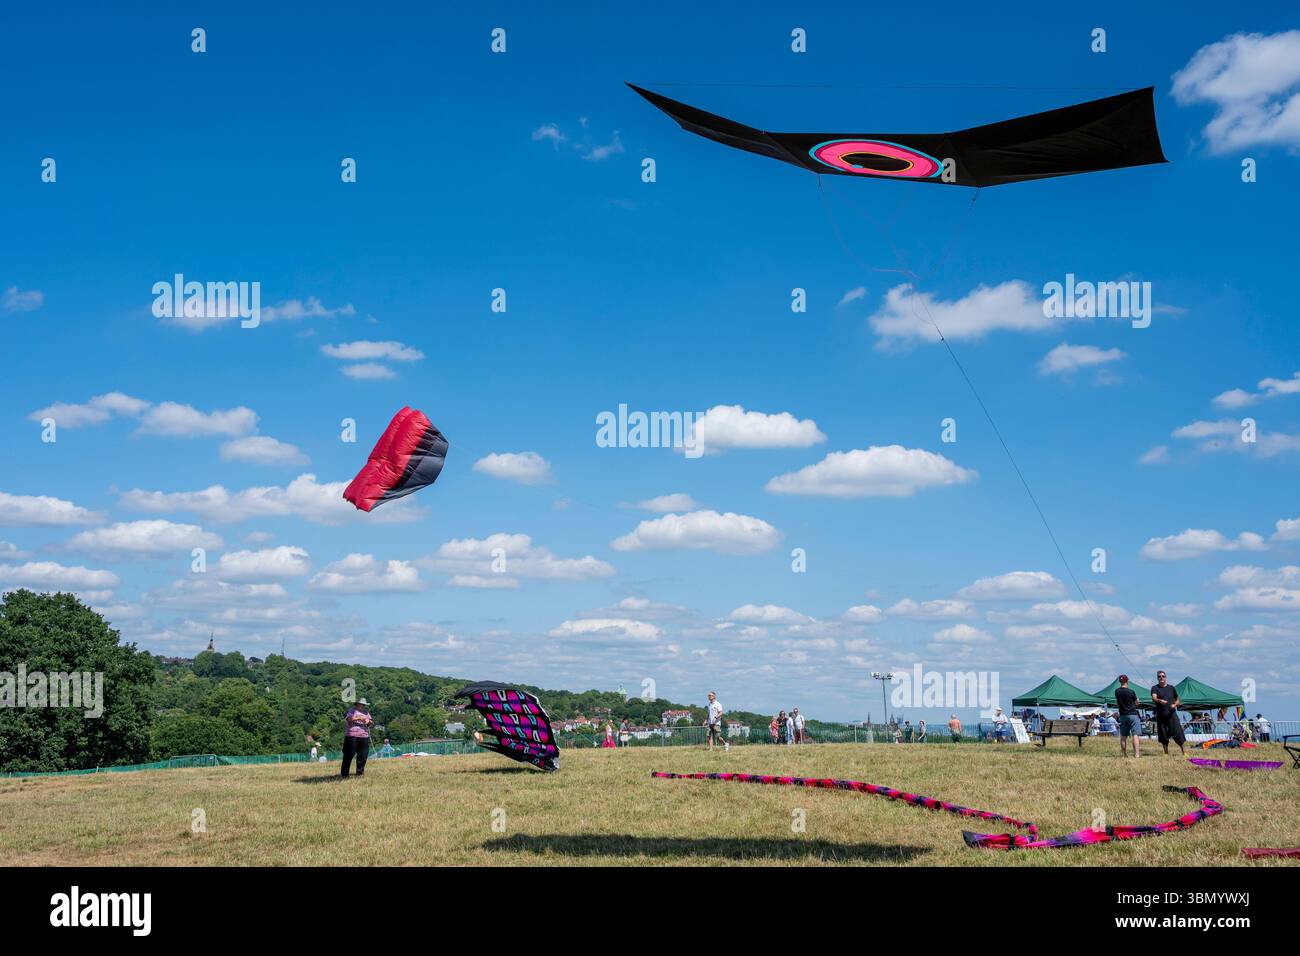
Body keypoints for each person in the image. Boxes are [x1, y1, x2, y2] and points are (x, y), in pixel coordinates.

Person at [1150, 671, 1185, 756]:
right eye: (1159, 676)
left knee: (1178, 733)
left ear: (1165, 677)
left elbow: (1178, 700)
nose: (1161, 677)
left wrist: (1175, 704)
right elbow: (1154, 698)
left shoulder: (1171, 688)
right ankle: (1166, 753)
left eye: (1163, 676)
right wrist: (1159, 701)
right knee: (1163, 735)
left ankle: (1184, 752)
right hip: (1161, 715)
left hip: (1172, 715)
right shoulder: (1155, 688)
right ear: (1157, 678)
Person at [341, 698, 373, 777]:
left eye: (364, 704)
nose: (362, 705)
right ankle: (344, 774)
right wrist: (359, 718)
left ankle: (360, 773)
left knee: (363, 755)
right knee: (348, 755)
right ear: (357, 704)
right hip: (352, 736)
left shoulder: (366, 712)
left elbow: (371, 722)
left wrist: (369, 721)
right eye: (361, 704)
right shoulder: (352, 711)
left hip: (364, 735)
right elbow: (349, 719)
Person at [1114, 675, 1141, 758]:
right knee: (1135, 735)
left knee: (1123, 736)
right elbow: (1136, 703)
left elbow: (1118, 703)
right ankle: (1136, 754)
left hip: (1123, 715)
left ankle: (1124, 754)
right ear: (1127, 681)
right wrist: (1138, 701)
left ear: (1120, 681)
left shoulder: (1117, 691)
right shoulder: (1131, 691)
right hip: (1132, 714)